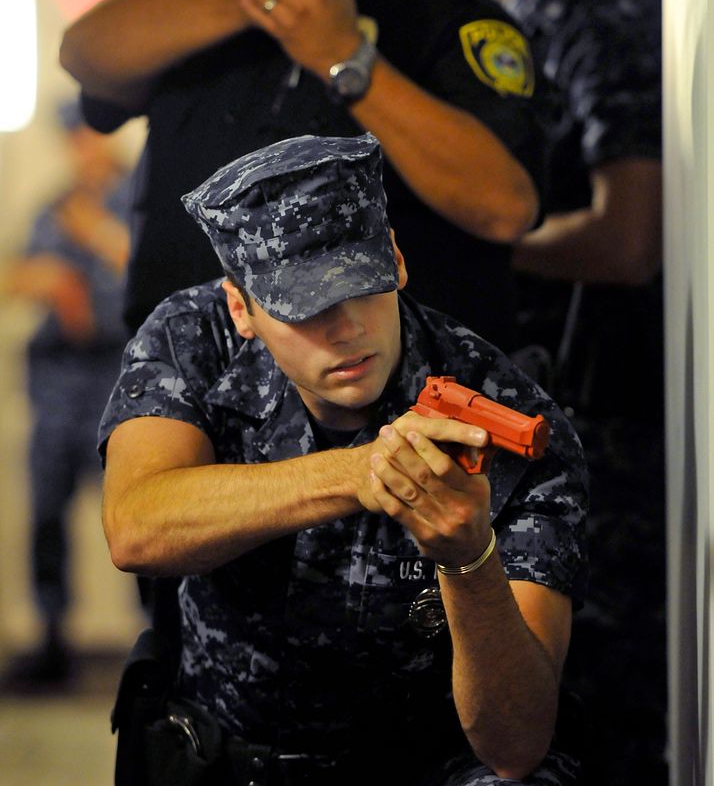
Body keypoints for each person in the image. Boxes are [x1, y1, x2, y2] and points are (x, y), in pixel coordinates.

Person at [101, 132, 588, 786]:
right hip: (230, 755)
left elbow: (515, 743)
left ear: (394, 259)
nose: (344, 326)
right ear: (242, 308)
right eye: (304, 305)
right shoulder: (194, 338)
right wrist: (355, 474)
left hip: (423, 766)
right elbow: (136, 526)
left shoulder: (503, 415)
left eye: (360, 284)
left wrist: (468, 559)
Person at [58, 0, 550, 357]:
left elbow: (505, 205)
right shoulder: (195, 13)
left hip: (393, 409)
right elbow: (82, 52)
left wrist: (345, 56)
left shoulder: (439, 15)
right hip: (192, 394)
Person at [459, 0, 666, 782]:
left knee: (599, 720)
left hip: (607, 427)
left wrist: (489, 240)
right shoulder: (527, 12)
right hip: (544, 415)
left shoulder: (610, 8)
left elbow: (630, 238)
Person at [0, 99, 131, 690]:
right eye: (72, 138)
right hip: (58, 384)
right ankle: (51, 639)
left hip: (119, 383)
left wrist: (99, 235)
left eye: (87, 135)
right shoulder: (54, 206)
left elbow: (155, 275)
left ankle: (159, 637)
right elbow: (14, 275)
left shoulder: (139, 198)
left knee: (134, 511)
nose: (81, 148)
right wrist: (44, 279)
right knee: (46, 517)